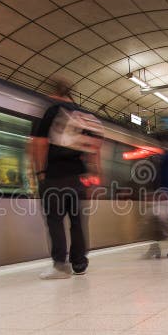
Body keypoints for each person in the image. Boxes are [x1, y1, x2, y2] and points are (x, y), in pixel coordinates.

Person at [31, 80, 101, 279]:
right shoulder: (84, 116)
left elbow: (40, 144)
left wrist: (40, 173)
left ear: (55, 93)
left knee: (55, 220)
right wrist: (92, 175)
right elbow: (93, 149)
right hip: (78, 177)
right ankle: (79, 263)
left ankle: (60, 266)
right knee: (77, 221)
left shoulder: (53, 111)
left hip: (56, 176)